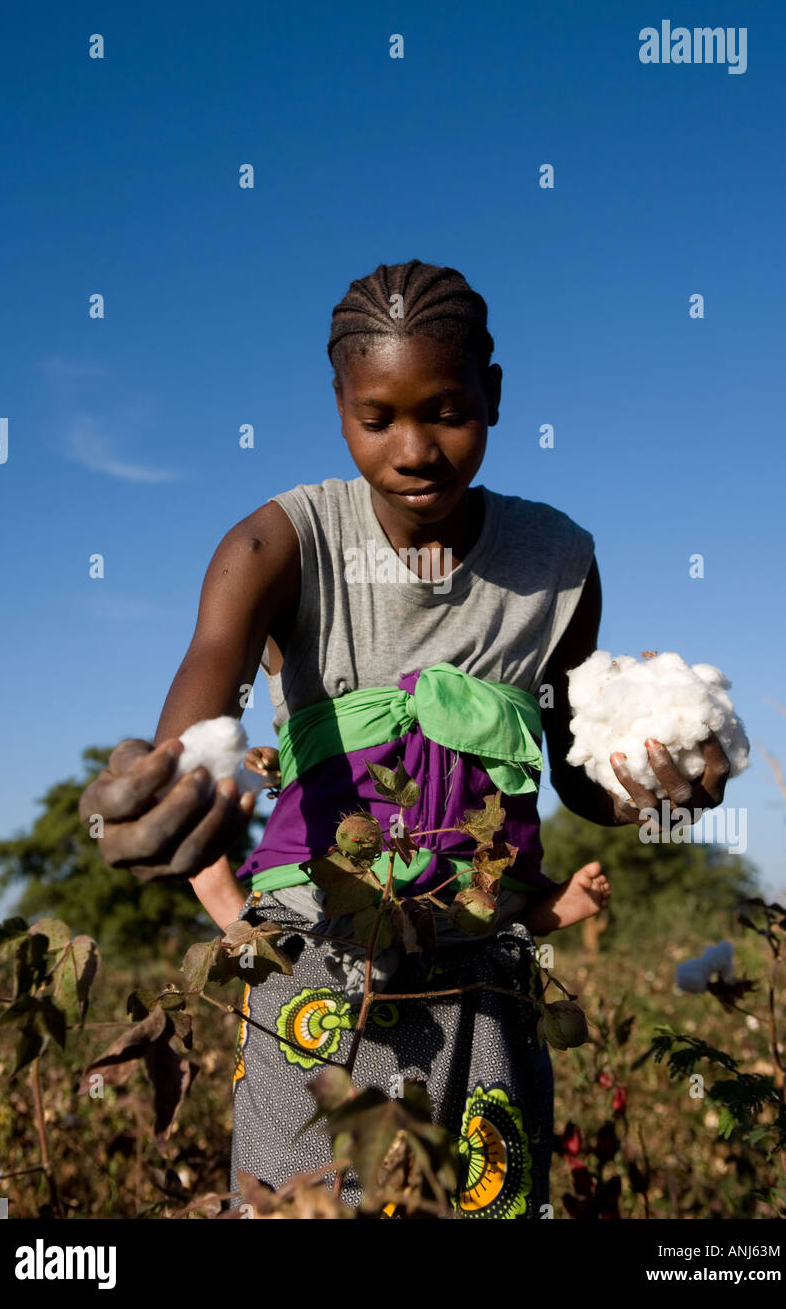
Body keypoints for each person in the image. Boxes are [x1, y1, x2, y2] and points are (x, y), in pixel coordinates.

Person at [78, 259, 731, 1218]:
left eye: (448, 410)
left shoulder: (559, 565)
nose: (415, 448)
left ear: (495, 398)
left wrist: (658, 784)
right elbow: (198, 719)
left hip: (486, 961)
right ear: (339, 408)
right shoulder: (275, 546)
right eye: (378, 418)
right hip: (318, 967)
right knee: (300, 1202)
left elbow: (577, 775)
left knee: (485, 1201)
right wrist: (165, 793)